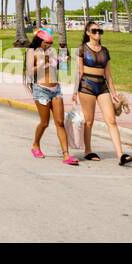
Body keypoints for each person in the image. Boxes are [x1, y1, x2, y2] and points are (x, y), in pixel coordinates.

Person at [75, 21, 132, 166]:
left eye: (100, 31)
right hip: (86, 86)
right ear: (88, 33)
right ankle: (88, 151)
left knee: (112, 120)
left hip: (102, 86)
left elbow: (108, 75)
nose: (98, 33)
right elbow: (79, 72)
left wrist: (114, 93)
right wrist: (75, 92)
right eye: (94, 31)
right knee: (89, 121)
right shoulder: (82, 49)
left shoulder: (105, 51)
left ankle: (121, 154)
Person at [26, 28, 77, 165]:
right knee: (44, 123)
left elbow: (59, 67)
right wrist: (44, 64)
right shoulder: (32, 52)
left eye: (50, 43)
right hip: (41, 90)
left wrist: (63, 60)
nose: (49, 45)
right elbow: (30, 72)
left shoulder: (51, 52)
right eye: (46, 42)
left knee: (60, 122)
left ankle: (66, 155)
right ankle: (35, 145)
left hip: (56, 90)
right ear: (40, 41)